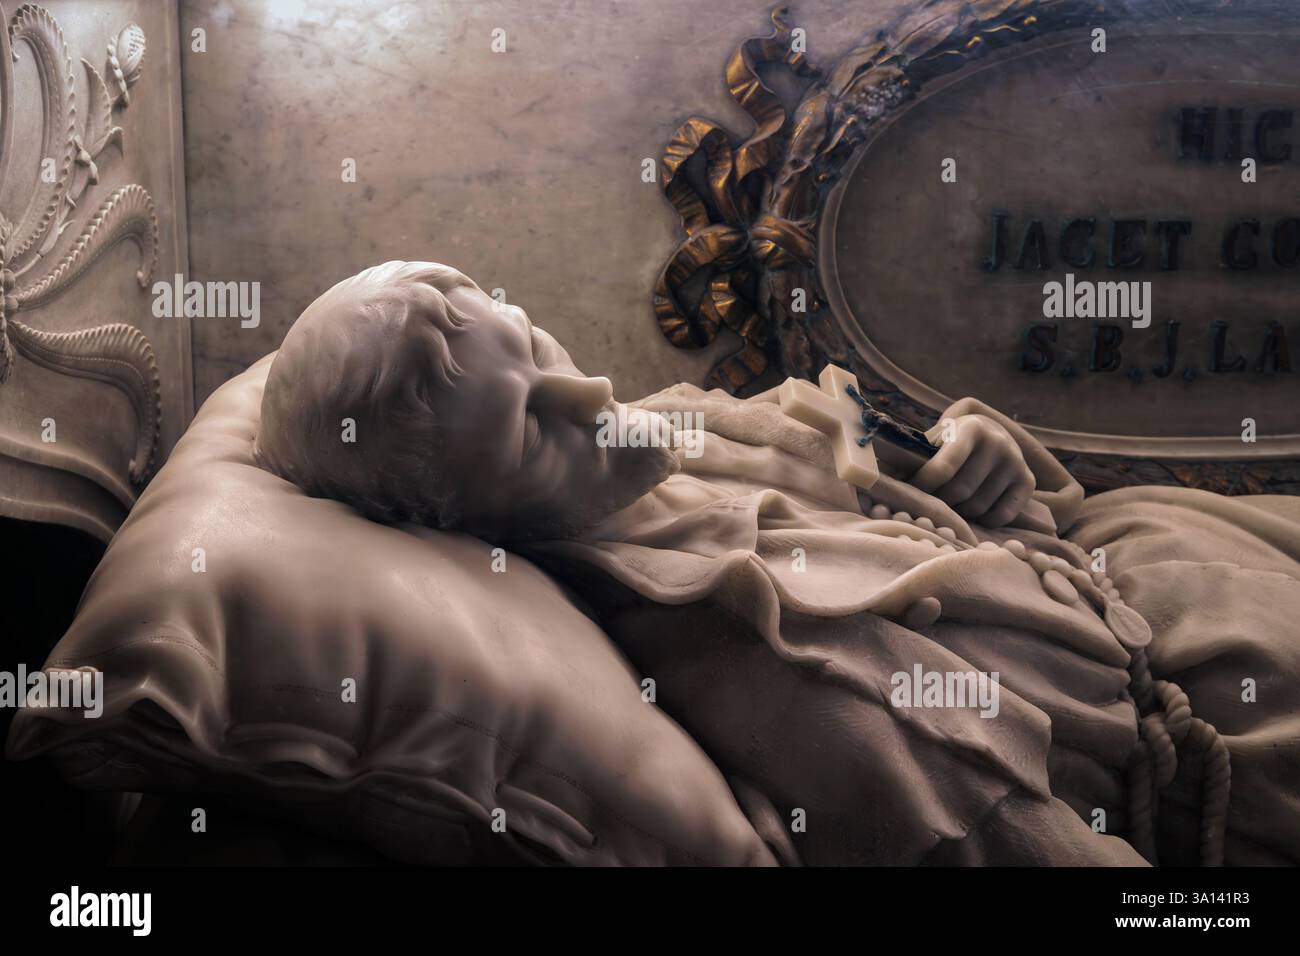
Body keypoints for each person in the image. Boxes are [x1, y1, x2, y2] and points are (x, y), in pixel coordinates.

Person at [256, 261, 1299, 865]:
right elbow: (994, 832)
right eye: (533, 427)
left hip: (1135, 553)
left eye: (537, 346)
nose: (593, 391)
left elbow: (834, 425)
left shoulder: (658, 432)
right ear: (457, 525)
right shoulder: (731, 636)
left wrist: (956, 454)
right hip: (1213, 723)